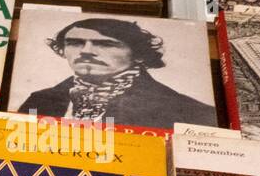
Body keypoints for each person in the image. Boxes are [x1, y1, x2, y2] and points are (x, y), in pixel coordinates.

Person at [16, 18, 217, 130]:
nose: (86, 51)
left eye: (105, 44)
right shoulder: (40, 101)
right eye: (75, 43)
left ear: (139, 55)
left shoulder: (190, 112)